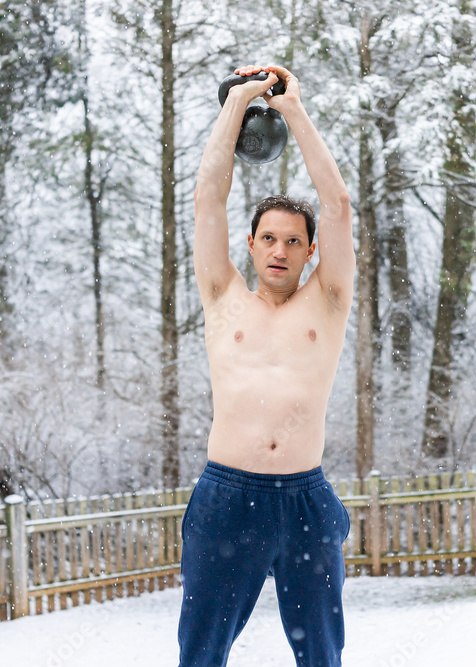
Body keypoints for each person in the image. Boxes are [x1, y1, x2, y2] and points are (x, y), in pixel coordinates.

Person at [178, 64, 355, 667]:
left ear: (311, 251)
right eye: (269, 239)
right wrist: (240, 103)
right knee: (201, 654)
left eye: (294, 241)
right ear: (250, 245)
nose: (281, 250)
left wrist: (292, 109)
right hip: (227, 498)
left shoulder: (327, 303)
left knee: (322, 658)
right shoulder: (223, 297)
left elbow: (337, 205)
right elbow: (208, 195)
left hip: (304, 501)